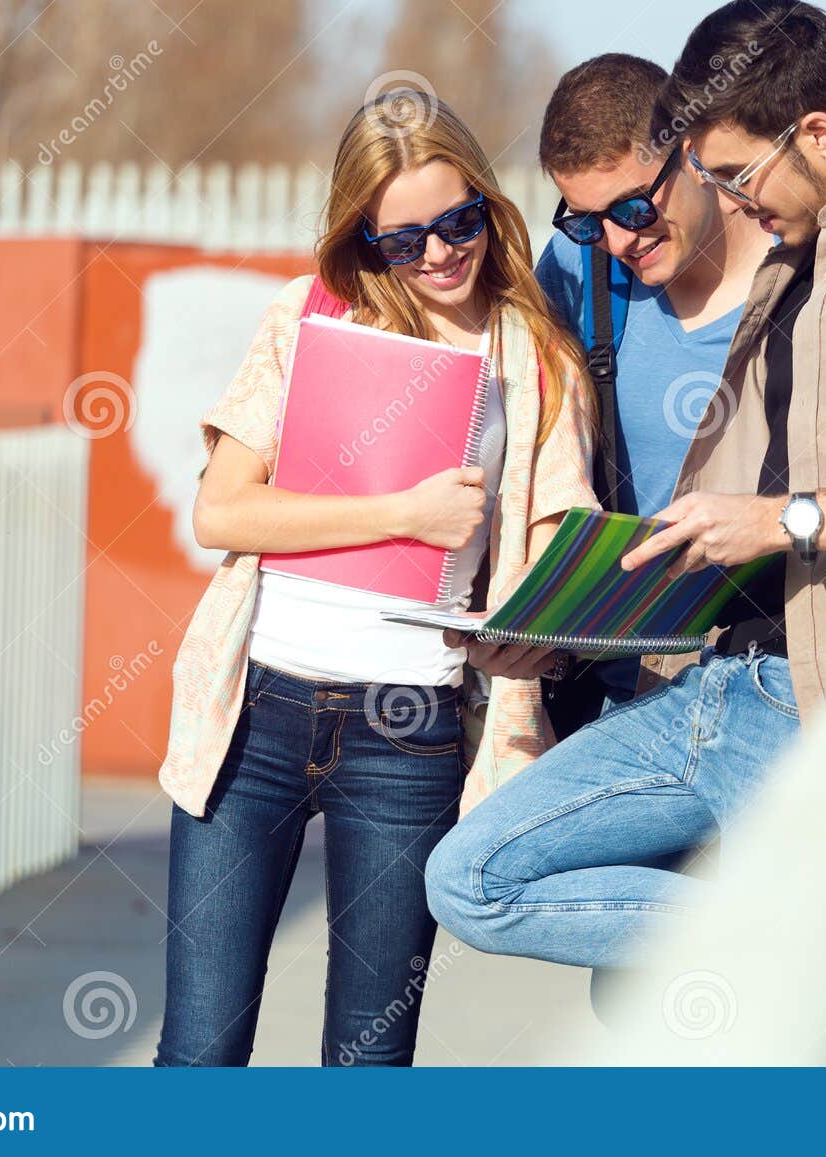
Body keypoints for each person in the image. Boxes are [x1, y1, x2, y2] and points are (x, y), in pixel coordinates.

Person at [426, 0, 826, 970]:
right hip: (704, 681)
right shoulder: (811, 250)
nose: (730, 197)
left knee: (764, 1034)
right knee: (471, 877)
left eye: (734, 174)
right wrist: (563, 634)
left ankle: (797, 945)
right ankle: (783, 938)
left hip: (813, 706)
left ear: (816, 131)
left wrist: (782, 519)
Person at [153, 91, 594, 1065]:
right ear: (363, 234)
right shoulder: (311, 314)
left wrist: (526, 629)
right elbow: (221, 510)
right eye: (403, 240)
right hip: (256, 712)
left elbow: (557, 555)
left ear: (487, 206)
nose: (438, 254)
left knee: (367, 1065)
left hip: (412, 728)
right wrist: (402, 513)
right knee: (198, 1052)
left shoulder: (538, 357)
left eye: (458, 223)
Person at [520, 53, 773, 737]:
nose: (617, 240)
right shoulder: (580, 271)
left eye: (634, 206)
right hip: (610, 696)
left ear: (693, 150)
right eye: (585, 219)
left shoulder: (798, 275)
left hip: (762, 686)